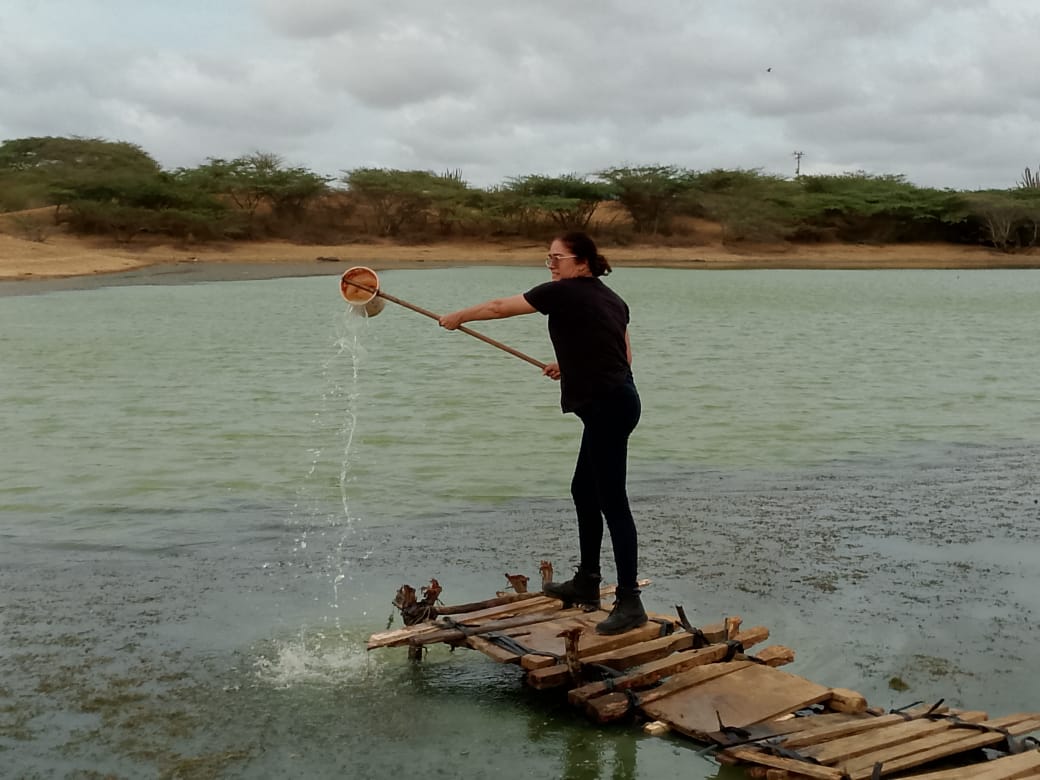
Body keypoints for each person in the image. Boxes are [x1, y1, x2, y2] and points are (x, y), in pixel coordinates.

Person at [438, 231, 646, 635]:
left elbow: (499, 307)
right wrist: (569, 366)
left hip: (607, 408)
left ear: (582, 261)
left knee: (613, 502)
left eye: (557, 258)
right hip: (618, 401)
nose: (551, 265)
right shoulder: (613, 299)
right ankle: (587, 581)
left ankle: (630, 601)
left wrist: (458, 316)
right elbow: (622, 354)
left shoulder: (562, 292)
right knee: (583, 490)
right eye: (548, 258)